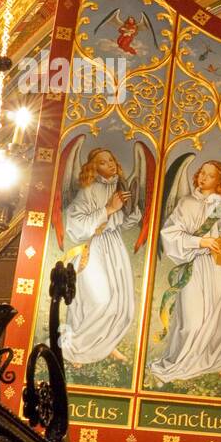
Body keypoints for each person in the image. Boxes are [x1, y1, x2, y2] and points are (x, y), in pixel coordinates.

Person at [148, 160, 221, 385]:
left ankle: (215, 359)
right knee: (193, 323)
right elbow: (170, 233)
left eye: (210, 175)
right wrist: (200, 241)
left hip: (213, 267)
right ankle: (178, 364)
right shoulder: (186, 203)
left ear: (220, 181)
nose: (203, 178)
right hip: (193, 264)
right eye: (201, 173)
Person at [59, 148, 142, 365]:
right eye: (103, 162)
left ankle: (103, 345)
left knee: (121, 304)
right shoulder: (88, 190)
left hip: (114, 247)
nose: (110, 164)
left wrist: (129, 210)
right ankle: (76, 348)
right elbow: (75, 224)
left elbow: (126, 222)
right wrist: (107, 209)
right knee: (101, 299)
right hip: (94, 246)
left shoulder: (119, 187)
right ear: (94, 167)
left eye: (112, 159)